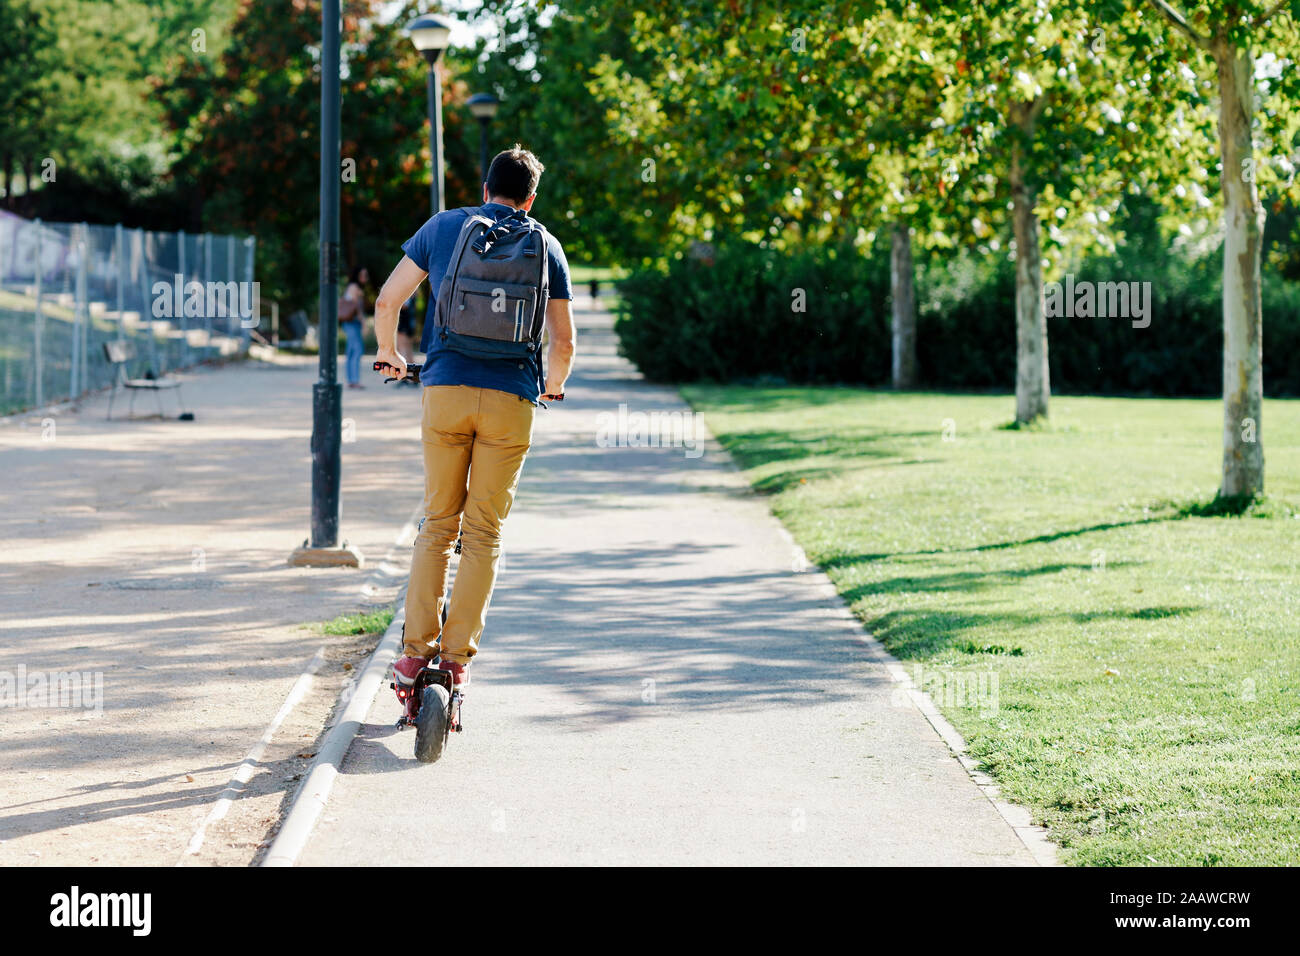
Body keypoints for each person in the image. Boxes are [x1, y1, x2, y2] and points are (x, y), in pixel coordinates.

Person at [372, 145, 576, 704]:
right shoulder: (546, 244)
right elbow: (564, 340)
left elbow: (389, 300)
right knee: (484, 532)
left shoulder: (442, 228)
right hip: (511, 402)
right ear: (530, 198)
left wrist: (391, 353)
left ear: (484, 187)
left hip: (445, 393)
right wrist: (553, 385)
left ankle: (414, 655)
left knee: (439, 524)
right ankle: (457, 662)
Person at [340, 265, 370, 389]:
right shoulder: (354, 287)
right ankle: (354, 380)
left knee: (352, 351)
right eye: (363, 275)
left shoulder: (354, 287)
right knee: (356, 351)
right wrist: (364, 324)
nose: (365, 278)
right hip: (352, 323)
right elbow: (356, 308)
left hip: (351, 323)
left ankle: (352, 380)